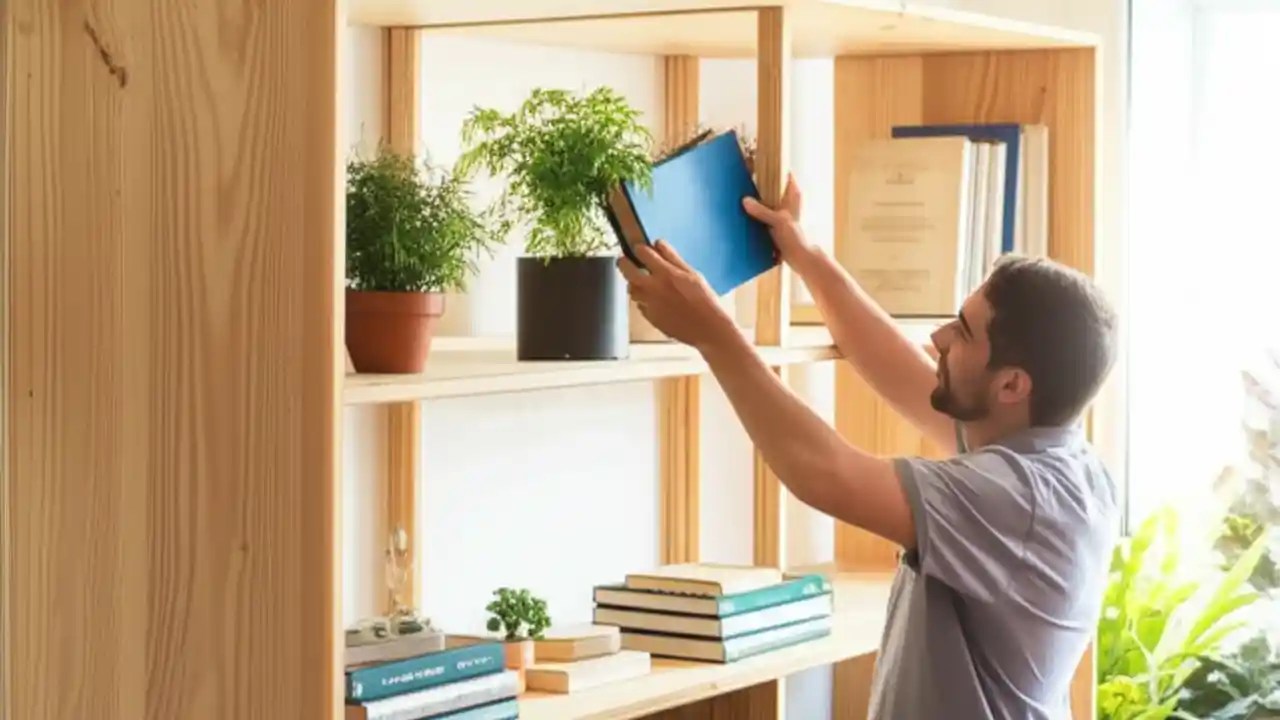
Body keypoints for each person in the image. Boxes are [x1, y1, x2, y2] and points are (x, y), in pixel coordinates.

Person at [616, 174, 1120, 720]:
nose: (938, 339)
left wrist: (713, 332)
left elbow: (824, 473)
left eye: (965, 332)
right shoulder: (1051, 454)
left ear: (1012, 385)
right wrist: (803, 252)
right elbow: (896, 367)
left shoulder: (1018, 499)